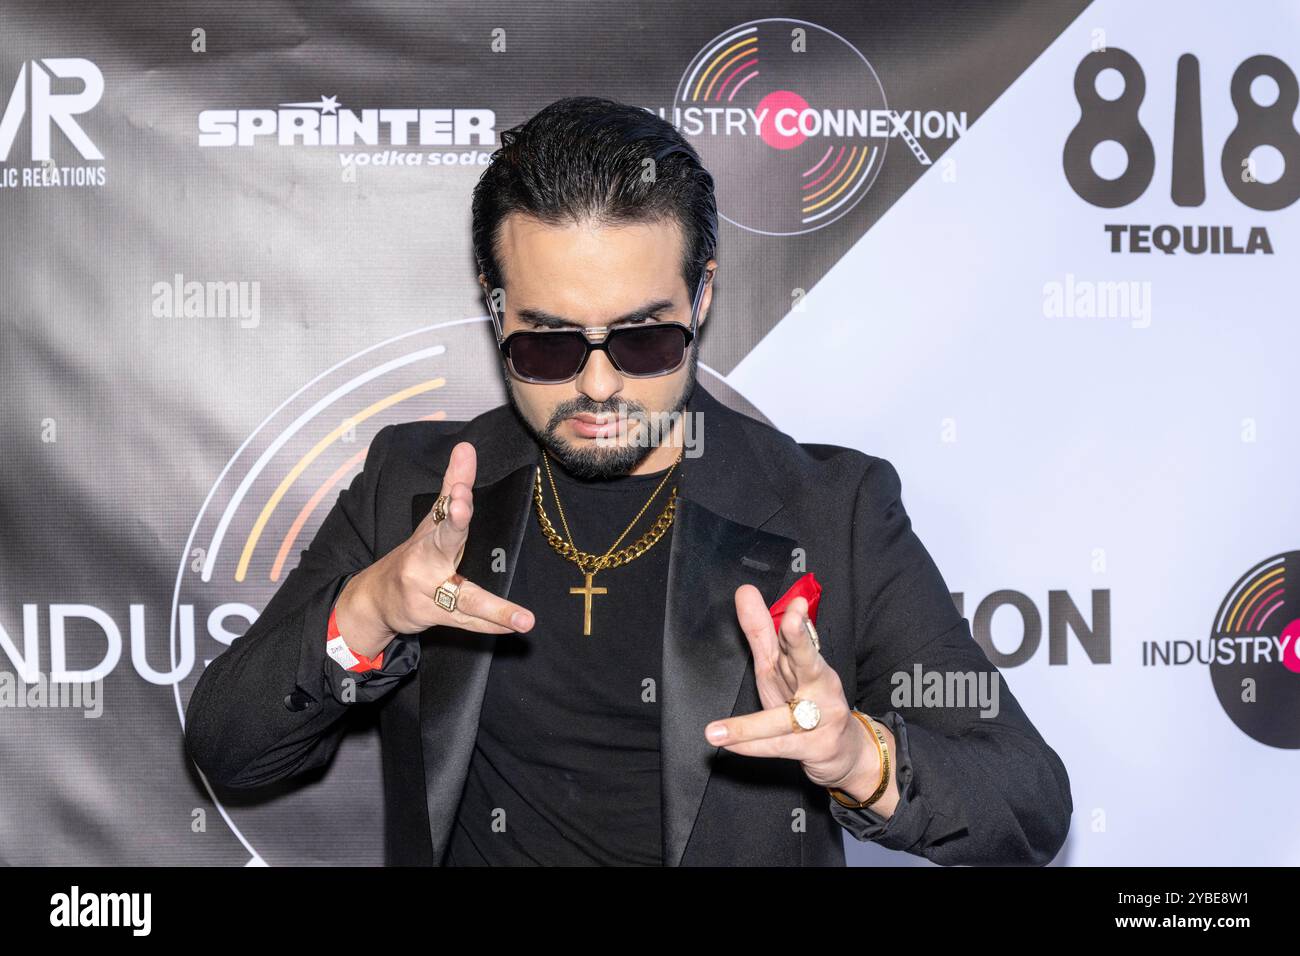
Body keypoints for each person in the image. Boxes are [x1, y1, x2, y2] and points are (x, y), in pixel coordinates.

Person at [185, 96, 1072, 866]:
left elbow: (1029, 803)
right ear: (496, 307)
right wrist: (366, 613)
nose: (600, 384)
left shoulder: (828, 509)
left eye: (645, 339)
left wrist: (860, 759)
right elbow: (229, 749)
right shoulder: (411, 488)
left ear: (702, 298)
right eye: (549, 344)